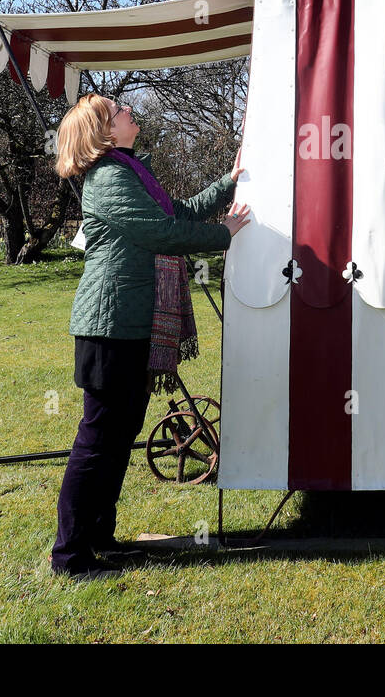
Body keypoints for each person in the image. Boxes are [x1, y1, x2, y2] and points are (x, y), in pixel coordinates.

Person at [49, 93, 250, 578]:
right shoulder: (110, 177)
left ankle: (100, 539)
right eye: (118, 109)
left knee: (118, 437)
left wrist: (229, 182)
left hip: (128, 327)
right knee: (97, 442)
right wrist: (225, 233)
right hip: (109, 328)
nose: (128, 111)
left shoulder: (131, 171)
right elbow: (165, 233)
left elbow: (178, 213)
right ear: (103, 129)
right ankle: (70, 558)